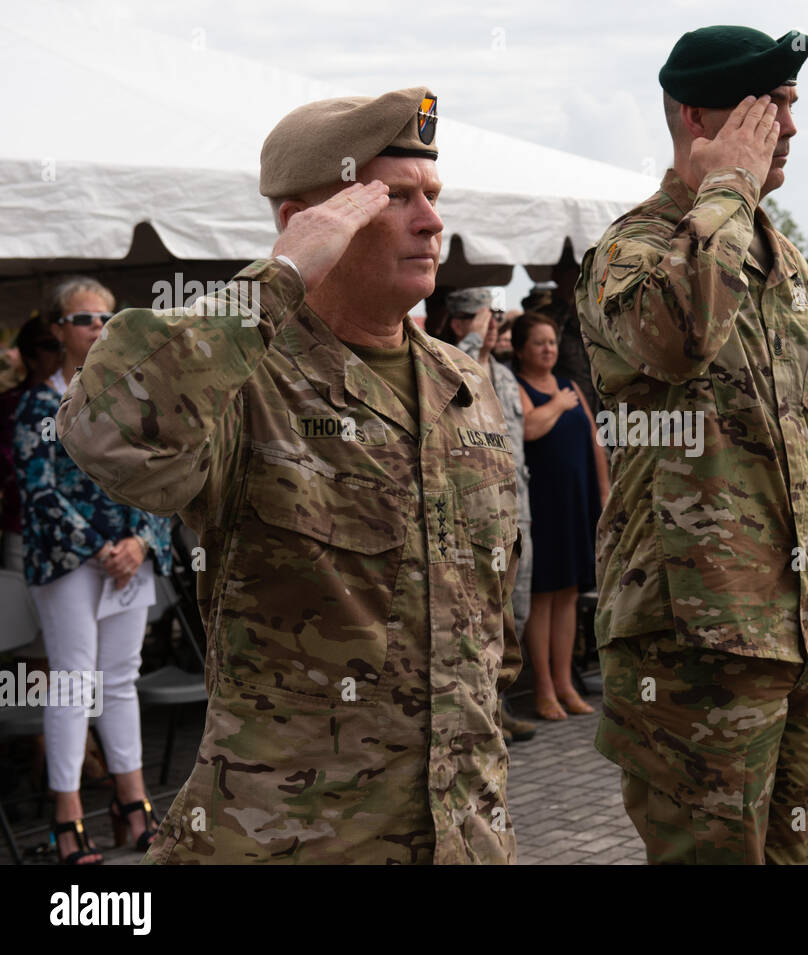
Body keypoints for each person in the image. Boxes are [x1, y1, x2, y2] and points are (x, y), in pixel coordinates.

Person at [58, 87, 522, 864]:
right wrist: (277, 279)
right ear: (303, 221)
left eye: (433, 196)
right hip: (294, 838)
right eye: (395, 198)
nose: (432, 222)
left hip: (462, 831)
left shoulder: (462, 383)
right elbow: (106, 431)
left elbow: (482, 616)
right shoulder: (247, 381)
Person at [577, 24, 808, 865]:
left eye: (792, 107)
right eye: (768, 110)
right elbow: (678, 337)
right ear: (695, 115)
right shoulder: (635, 247)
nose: (788, 129)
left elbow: (804, 424)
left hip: (793, 633)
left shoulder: (782, 257)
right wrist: (726, 187)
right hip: (692, 645)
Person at [15, 278, 174, 865]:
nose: (98, 328)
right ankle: (67, 816)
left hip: (128, 558)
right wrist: (101, 547)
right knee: (74, 683)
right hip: (67, 563)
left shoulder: (133, 394)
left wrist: (140, 540)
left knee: (120, 679)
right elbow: (39, 492)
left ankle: (133, 805)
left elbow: (159, 473)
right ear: (57, 329)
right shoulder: (37, 403)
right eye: (83, 318)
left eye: (107, 317)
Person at [445, 287, 539, 745]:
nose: (492, 326)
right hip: (467, 518)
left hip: (515, 514)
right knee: (471, 620)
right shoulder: (443, 366)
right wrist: (471, 341)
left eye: (495, 318)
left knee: (513, 615)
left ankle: (496, 710)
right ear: (459, 322)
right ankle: (471, 719)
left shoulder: (500, 374)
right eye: (482, 318)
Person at [513, 310, 606, 720]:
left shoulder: (571, 385)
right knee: (541, 597)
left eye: (552, 342)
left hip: (575, 502)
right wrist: (556, 403)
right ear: (521, 350)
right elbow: (528, 430)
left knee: (568, 594)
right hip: (539, 506)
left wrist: (604, 494)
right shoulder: (515, 386)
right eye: (539, 342)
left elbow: (595, 440)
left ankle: (566, 684)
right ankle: (543, 689)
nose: (549, 349)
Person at [1, 316, 62, 570]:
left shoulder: (94, 400)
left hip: (92, 535)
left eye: (63, 344)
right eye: (51, 345)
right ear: (30, 354)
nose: (60, 352)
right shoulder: (8, 405)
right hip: (25, 527)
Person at [543, 248, 598, 415]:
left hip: (597, 404)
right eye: (574, 274)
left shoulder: (591, 312)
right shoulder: (549, 317)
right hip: (563, 404)